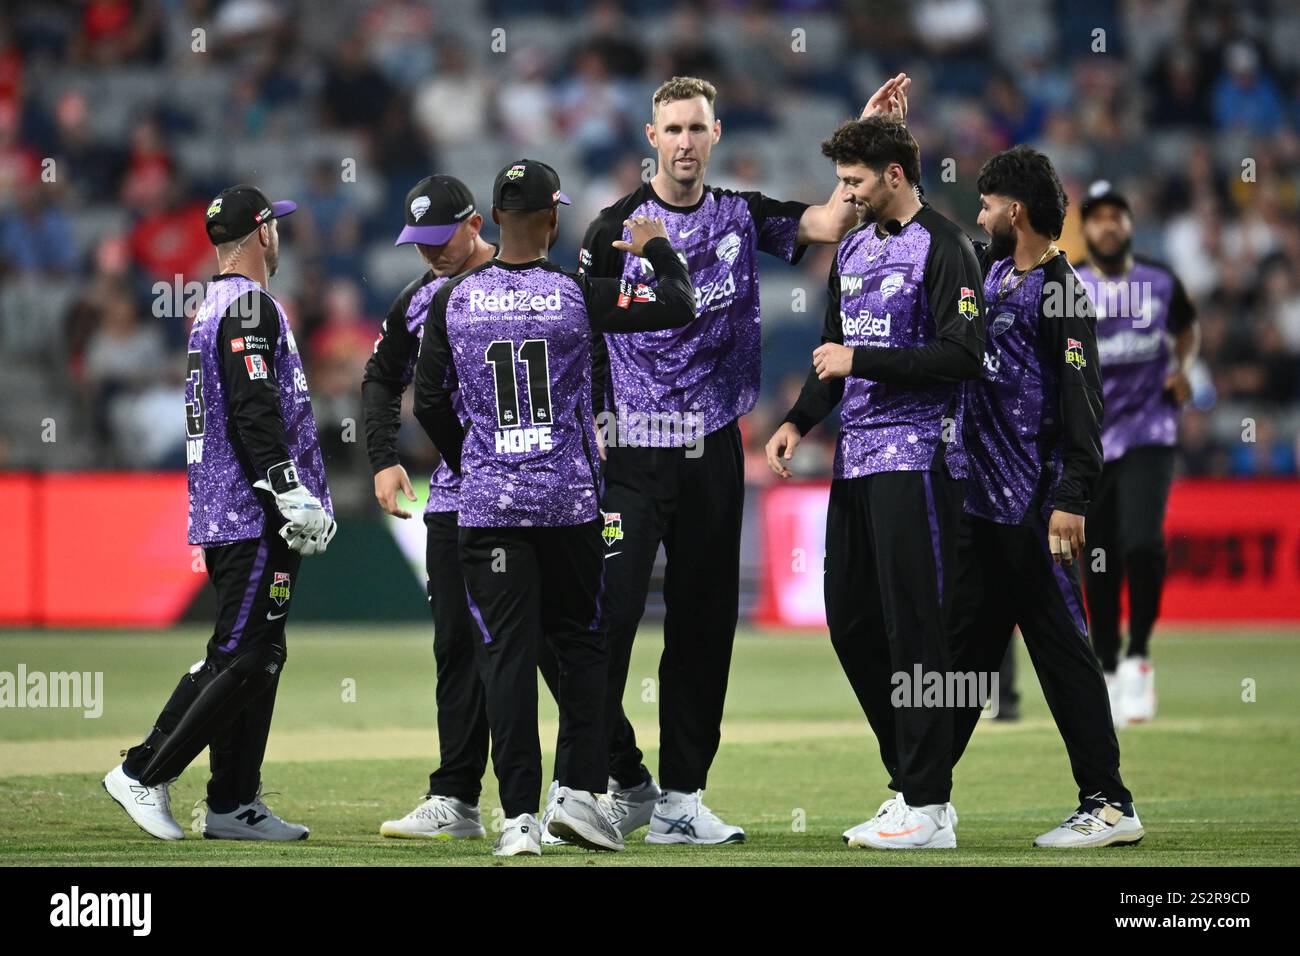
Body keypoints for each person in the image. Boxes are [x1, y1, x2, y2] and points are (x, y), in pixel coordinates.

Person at [547, 73, 909, 846]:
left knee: (704, 626)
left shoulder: (741, 216)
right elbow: (578, 341)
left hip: (713, 446)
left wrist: (866, 134)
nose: (684, 141)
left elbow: (828, 219)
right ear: (651, 139)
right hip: (633, 449)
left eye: (696, 128)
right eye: (671, 128)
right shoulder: (611, 229)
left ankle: (680, 799)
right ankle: (589, 784)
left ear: (716, 136)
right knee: (604, 620)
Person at [412, 159, 696, 856]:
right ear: (553, 220)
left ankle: (516, 823)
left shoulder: (454, 298)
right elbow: (680, 302)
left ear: (495, 220)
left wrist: (474, 460)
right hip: (568, 507)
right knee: (581, 646)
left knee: (505, 658)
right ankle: (574, 792)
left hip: (486, 511)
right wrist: (657, 244)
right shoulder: (577, 292)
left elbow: (425, 402)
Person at [765, 116, 985, 850]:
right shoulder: (853, 247)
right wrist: (799, 420)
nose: (846, 195)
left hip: (920, 460)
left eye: (855, 182)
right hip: (855, 462)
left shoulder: (948, 247)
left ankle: (926, 804)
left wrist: (865, 362)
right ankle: (915, 780)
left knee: (914, 628)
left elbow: (962, 357)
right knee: (851, 620)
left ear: (895, 175)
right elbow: (834, 356)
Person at [103, 185, 336, 841]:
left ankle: (233, 802)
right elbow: (253, 410)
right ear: (263, 233)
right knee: (241, 655)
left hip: (229, 505)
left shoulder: (212, 305)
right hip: (251, 511)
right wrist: (288, 492)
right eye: (277, 227)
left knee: (259, 654)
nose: (282, 238)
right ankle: (143, 771)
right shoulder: (249, 305)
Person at [948, 147, 1144, 848]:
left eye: (987, 204)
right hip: (985, 512)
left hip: (1036, 510)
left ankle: (1110, 803)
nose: (980, 216)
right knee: (963, 664)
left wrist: (1072, 496)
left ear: (1015, 212)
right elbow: (936, 238)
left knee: (1063, 654)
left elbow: (1082, 402)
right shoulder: (994, 269)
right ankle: (921, 799)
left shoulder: (1061, 290)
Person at [362, 174, 498, 839]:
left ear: (476, 224)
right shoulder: (414, 303)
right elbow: (381, 378)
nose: (432, 254)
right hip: (453, 495)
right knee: (455, 646)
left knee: (554, 646)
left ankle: (610, 779)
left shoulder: (533, 283)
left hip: (541, 495)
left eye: (442, 238)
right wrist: (383, 457)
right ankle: (456, 799)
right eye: (420, 243)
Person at [1075, 181, 1198, 727]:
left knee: (1143, 542)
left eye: (1115, 216)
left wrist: (1181, 368)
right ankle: (1105, 664)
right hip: (1092, 439)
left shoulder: (1159, 281)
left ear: (1128, 223)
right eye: (1096, 217)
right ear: (1086, 226)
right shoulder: (1069, 284)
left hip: (1150, 429)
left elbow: (1187, 327)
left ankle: (1140, 658)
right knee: (1098, 557)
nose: (1107, 226)